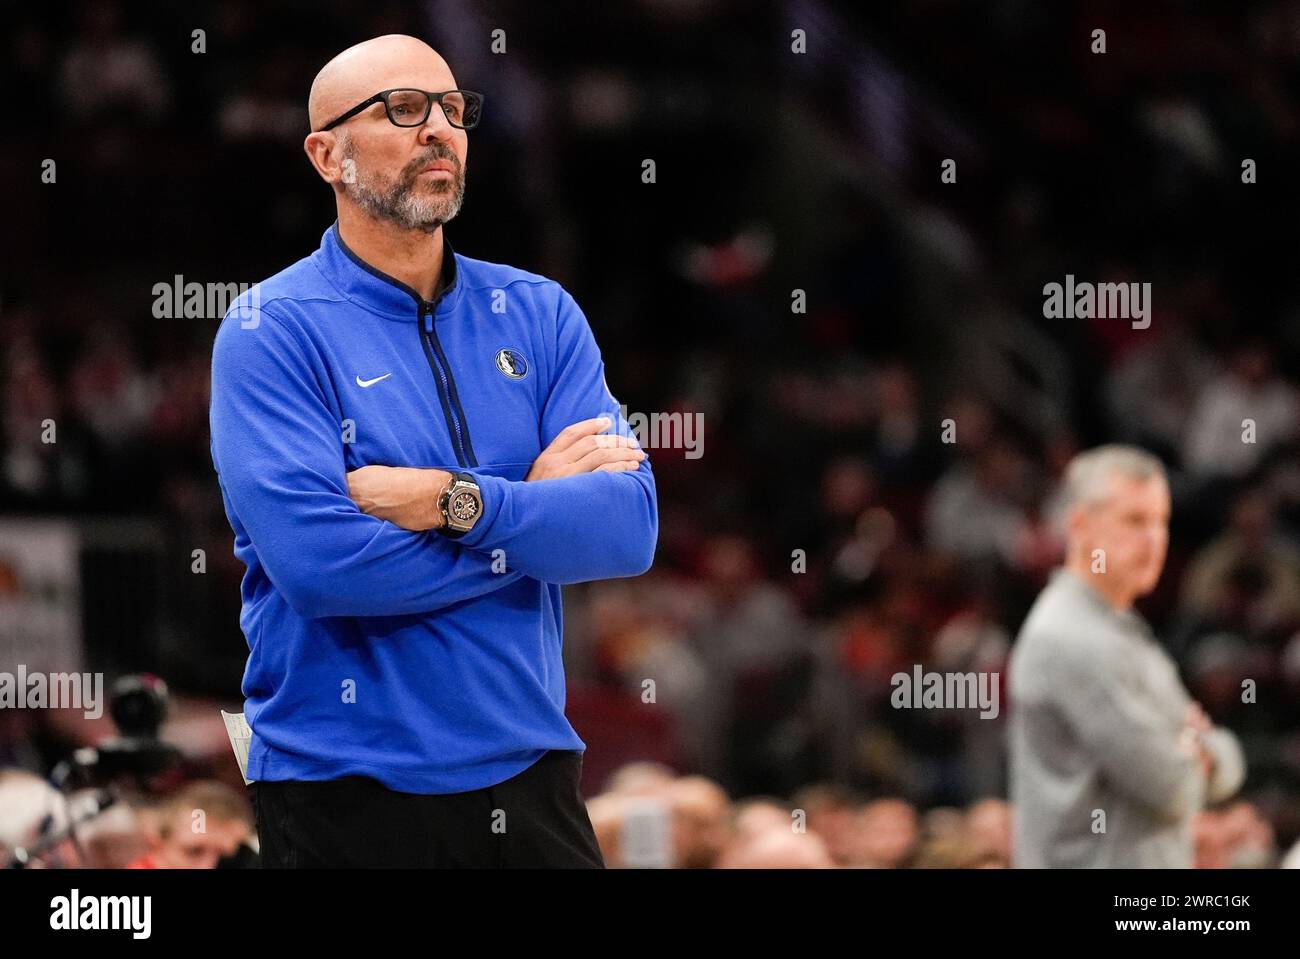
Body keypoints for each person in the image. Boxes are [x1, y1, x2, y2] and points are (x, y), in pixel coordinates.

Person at [208, 35, 658, 867]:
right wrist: (528, 516)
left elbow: (626, 530)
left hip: (531, 773)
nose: (440, 130)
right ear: (326, 154)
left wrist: (456, 501)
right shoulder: (269, 332)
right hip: (342, 788)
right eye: (405, 110)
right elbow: (321, 569)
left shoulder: (541, 311)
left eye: (454, 110)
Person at [1008, 445, 1244, 867]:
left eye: (1162, 522)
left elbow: (1226, 761)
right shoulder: (1068, 636)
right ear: (1080, 526)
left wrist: (1195, 748)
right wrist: (1195, 744)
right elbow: (1173, 785)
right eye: (1135, 521)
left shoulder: (1122, 630)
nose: (1154, 540)